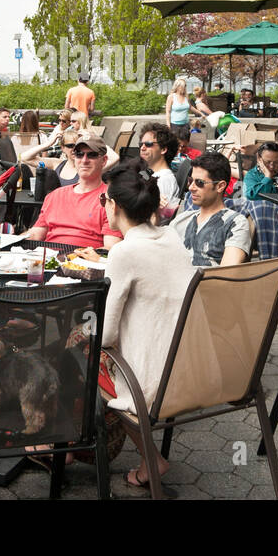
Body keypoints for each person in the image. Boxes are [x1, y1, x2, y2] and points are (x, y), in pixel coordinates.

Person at [99, 163, 220, 491]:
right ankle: (146, 458)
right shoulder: (170, 237)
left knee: (76, 349)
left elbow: (106, 335)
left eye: (104, 200)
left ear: (115, 205)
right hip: (193, 369)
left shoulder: (124, 252)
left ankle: (64, 451)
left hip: (153, 385)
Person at [27, 130, 121, 250]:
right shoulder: (54, 196)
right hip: (48, 260)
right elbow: (36, 234)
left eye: (92, 155)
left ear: (103, 160)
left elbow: (110, 248)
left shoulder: (111, 199)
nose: (84, 160)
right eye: (79, 154)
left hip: (85, 263)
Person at [170, 152, 250, 266]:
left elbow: (228, 273)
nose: (191, 187)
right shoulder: (180, 220)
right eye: (190, 181)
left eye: (199, 182)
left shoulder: (235, 223)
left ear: (220, 186)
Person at [137, 123, 181, 222]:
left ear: (163, 149)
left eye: (148, 144)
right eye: (141, 144)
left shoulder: (164, 180)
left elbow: (159, 220)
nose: (142, 148)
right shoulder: (149, 172)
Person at [165, 78, 193, 142]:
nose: (185, 88)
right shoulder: (171, 97)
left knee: (185, 142)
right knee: (175, 143)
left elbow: (190, 107)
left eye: (185, 86)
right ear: (178, 86)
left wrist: (201, 113)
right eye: (183, 86)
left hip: (185, 125)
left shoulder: (186, 96)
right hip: (175, 125)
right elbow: (168, 111)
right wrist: (168, 125)